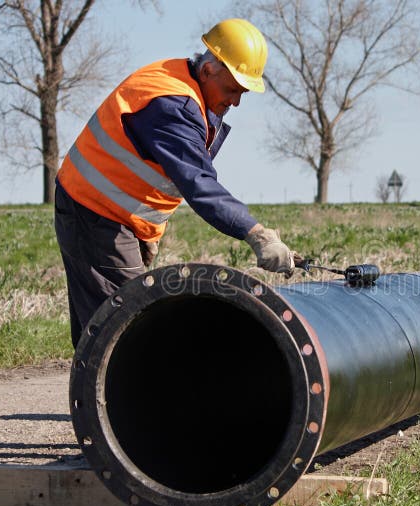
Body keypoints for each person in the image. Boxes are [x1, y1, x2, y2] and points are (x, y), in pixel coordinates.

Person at [54, 18, 294, 348]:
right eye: (233, 89)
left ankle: (106, 381)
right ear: (208, 69)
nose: (236, 102)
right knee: (124, 329)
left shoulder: (190, 88)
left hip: (108, 215)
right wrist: (257, 234)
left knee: (109, 326)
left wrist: (146, 231)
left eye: (243, 93)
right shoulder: (174, 105)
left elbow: (159, 174)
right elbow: (199, 184)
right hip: (95, 214)